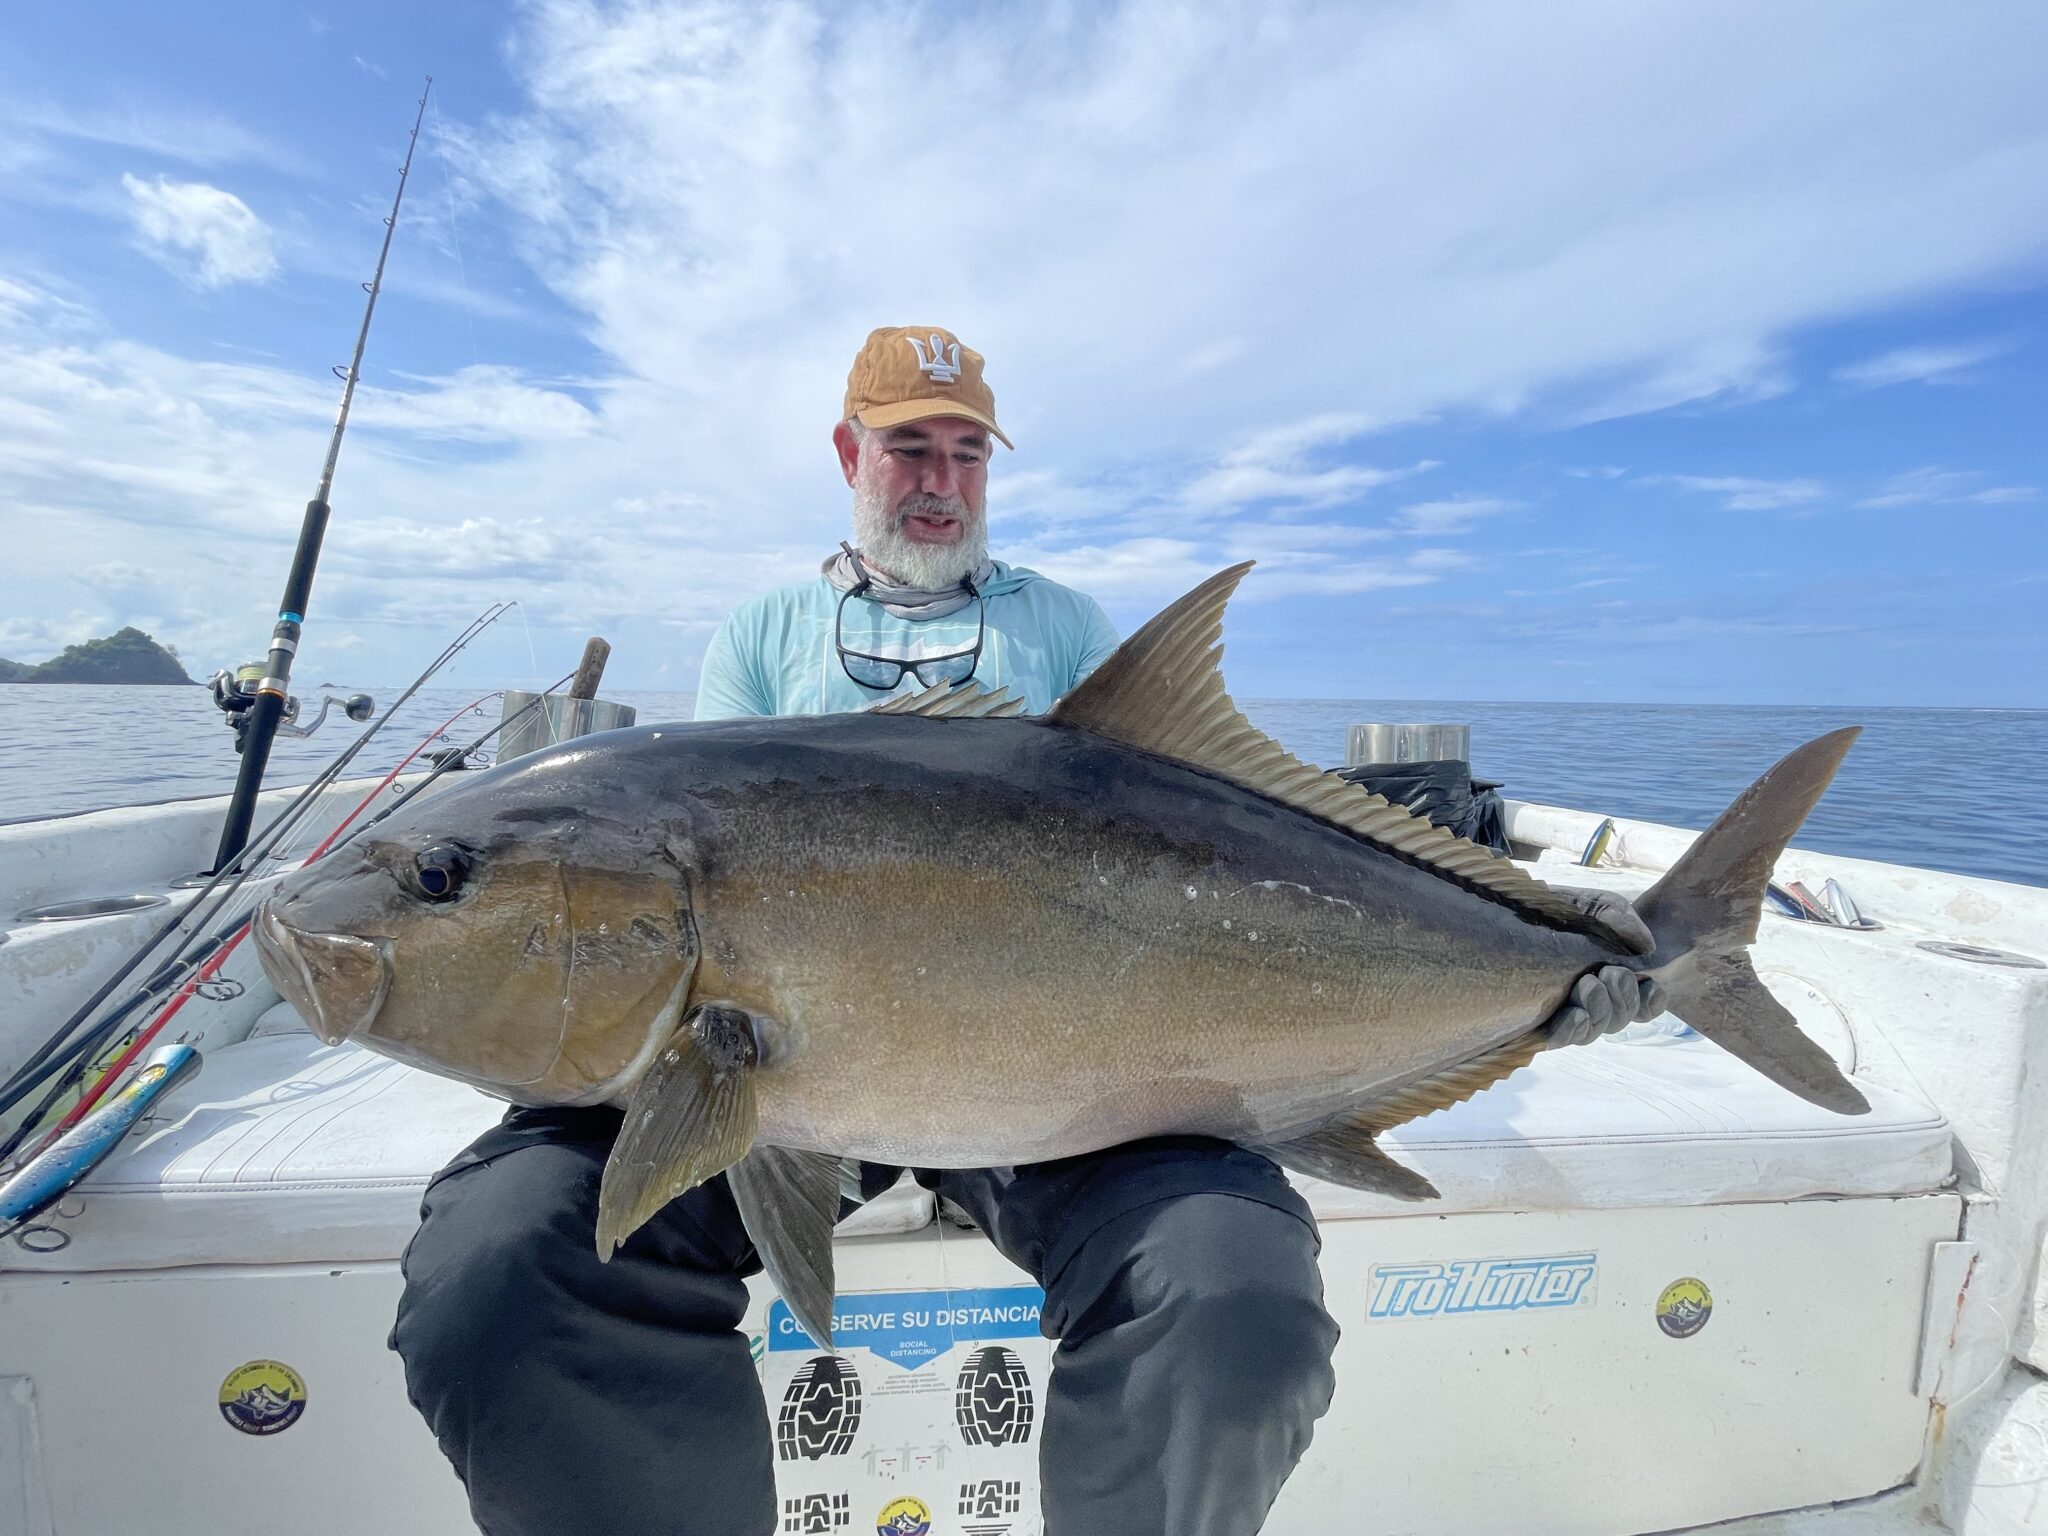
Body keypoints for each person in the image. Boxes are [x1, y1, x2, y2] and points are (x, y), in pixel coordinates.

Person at [390, 325, 1661, 1536]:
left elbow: (1182, 822)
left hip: (1066, 1090)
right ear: (849, 457)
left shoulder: (1060, 624)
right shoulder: (766, 635)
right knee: (504, 1275)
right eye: (907, 449)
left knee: (1233, 1298)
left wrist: (1539, 943)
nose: (939, 482)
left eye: (966, 453)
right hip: (770, 1079)